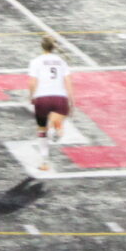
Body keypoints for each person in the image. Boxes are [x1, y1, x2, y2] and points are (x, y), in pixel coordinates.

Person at [25, 36, 74, 168]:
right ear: (53, 47)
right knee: (58, 118)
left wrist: (31, 96)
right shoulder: (62, 62)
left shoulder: (36, 61)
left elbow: (32, 82)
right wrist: (71, 102)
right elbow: (68, 82)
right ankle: (55, 128)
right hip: (60, 97)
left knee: (41, 129)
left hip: (42, 98)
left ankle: (44, 161)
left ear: (42, 47)